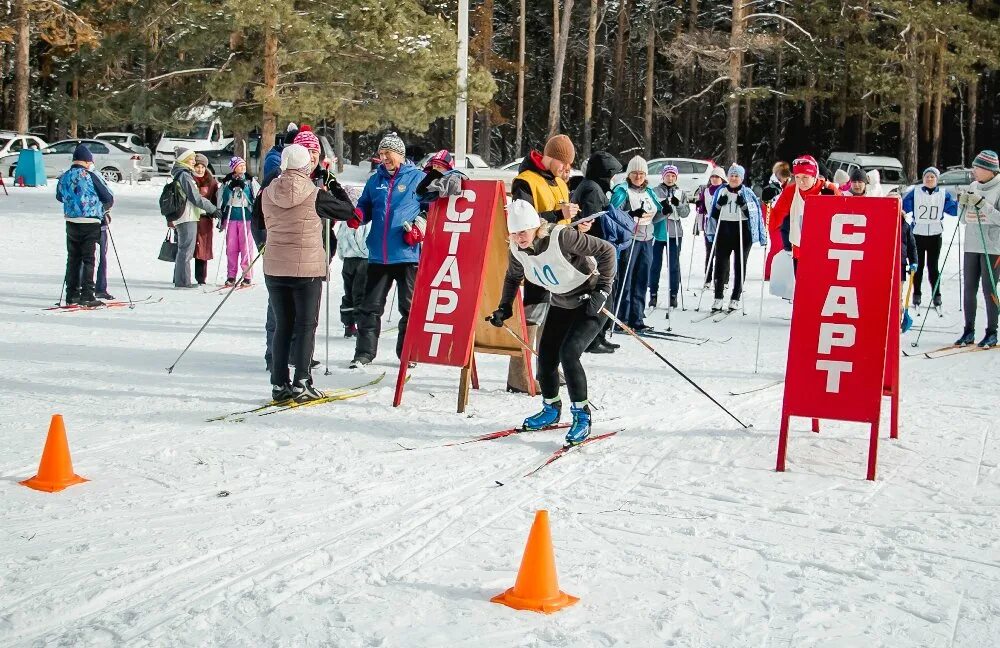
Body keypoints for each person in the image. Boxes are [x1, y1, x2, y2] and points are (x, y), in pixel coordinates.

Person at [488, 200, 616, 445]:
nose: (519, 237)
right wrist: (504, 307)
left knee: (569, 354)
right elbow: (513, 276)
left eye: (523, 231)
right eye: (514, 233)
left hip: (590, 301)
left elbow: (607, 251)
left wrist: (602, 290)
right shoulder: (516, 248)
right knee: (546, 357)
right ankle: (550, 409)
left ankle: (582, 415)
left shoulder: (562, 237)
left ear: (536, 227)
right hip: (561, 303)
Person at [260, 144, 354, 402]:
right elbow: (348, 211)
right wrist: (333, 186)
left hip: (275, 266)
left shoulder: (267, 192)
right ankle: (302, 382)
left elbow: (258, 223)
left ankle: (279, 384)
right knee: (304, 325)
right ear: (306, 166)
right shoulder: (315, 193)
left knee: (282, 325)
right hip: (306, 269)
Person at [503, 134, 579, 391]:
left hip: (558, 257)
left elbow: (561, 220)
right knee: (533, 315)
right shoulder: (525, 181)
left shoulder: (558, 181)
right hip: (535, 256)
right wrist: (559, 214)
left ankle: (547, 367)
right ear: (552, 156)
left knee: (554, 314)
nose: (566, 169)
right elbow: (522, 221)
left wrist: (575, 223)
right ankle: (518, 377)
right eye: (564, 163)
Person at [347, 132, 426, 368]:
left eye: (387, 153)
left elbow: (430, 208)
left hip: (406, 253)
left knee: (408, 307)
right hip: (378, 255)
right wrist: (358, 216)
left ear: (399, 154)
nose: (384, 158)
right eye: (381, 154)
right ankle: (364, 353)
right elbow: (365, 206)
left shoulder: (418, 178)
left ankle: (407, 353)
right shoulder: (375, 180)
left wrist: (419, 227)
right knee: (370, 307)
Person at [56, 144, 114, 307]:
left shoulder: (65, 176)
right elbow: (107, 196)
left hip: (71, 222)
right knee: (88, 259)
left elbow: (59, 196)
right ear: (88, 161)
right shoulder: (90, 175)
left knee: (73, 259)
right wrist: (103, 208)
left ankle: (72, 294)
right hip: (90, 221)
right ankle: (87, 294)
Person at [609, 156, 660, 331]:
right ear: (629, 174)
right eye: (634, 173)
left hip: (647, 239)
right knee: (626, 278)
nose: (638, 176)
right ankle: (620, 317)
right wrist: (630, 213)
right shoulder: (622, 191)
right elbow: (613, 214)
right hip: (629, 240)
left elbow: (657, 213)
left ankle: (636, 318)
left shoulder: (649, 192)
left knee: (642, 279)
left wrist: (665, 211)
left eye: (641, 173)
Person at [955, 150, 1000, 348]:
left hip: (992, 246)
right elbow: (964, 219)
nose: (973, 171)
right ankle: (968, 331)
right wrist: (962, 205)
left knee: (989, 289)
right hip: (972, 244)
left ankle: (992, 331)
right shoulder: (973, 185)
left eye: (977, 167)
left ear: (989, 170)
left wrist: (982, 204)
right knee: (969, 288)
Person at [707, 164, 766, 312]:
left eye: (736, 176)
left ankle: (735, 297)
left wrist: (743, 205)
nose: (733, 178)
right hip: (724, 229)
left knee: (740, 265)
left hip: (742, 231)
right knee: (721, 265)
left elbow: (754, 214)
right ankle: (718, 297)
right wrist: (720, 205)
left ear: (741, 178)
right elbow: (714, 214)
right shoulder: (721, 191)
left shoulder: (747, 193)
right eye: (731, 175)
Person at [846, 168, 917, 282]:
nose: (857, 185)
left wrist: (913, 261)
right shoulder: (844, 196)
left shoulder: (903, 224)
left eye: (860, 182)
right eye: (854, 182)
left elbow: (911, 244)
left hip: (898, 262)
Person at [901, 167, 959, 308]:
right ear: (923, 178)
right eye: (927, 177)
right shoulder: (915, 193)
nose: (929, 179)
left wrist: (960, 201)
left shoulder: (943, 194)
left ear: (937, 179)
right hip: (917, 235)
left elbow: (953, 210)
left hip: (935, 235)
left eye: (932, 177)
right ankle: (917, 294)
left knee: (933, 267)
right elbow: (903, 206)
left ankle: (936, 295)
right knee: (918, 267)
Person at [773, 155, 840, 273]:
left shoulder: (828, 189)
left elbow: (843, 216)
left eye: (805, 177)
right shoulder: (791, 190)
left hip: (823, 249)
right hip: (799, 249)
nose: (801, 181)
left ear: (814, 176)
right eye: (797, 177)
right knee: (801, 287)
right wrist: (766, 203)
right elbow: (775, 217)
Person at [170, 147, 219, 288]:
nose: (193, 161)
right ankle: (183, 281)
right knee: (186, 250)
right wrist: (213, 209)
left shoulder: (180, 173)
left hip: (183, 215)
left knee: (183, 249)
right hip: (187, 215)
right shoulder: (185, 175)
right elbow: (196, 198)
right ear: (184, 160)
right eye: (191, 159)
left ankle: (179, 279)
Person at [651, 165, 690, 309]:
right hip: (658, 232)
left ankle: (673, 295)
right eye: (668, 175)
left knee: (674, 265)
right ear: (663, 176)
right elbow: (652, 212)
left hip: (675, 233)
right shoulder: (655, 191)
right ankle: (653, 294)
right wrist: (663, 210)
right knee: (655, 265)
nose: (670, 178)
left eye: (673, 176)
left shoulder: (680, 192)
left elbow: (685, 213)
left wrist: (678, 205)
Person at [218, 156, 260, 286]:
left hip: (246, 217)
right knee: (231, 248)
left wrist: (244, 189)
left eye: (243, 165)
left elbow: (256, 197)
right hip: (231, 217)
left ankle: (247, 275)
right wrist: (230, 189)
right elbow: (222, 199)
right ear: (233, 168)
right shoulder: (227, 181)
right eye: (239, 166)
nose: (242, 168)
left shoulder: (249, 180)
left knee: (246, 247)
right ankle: (231, 275)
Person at [695, 166, 726, 287]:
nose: (714, 179)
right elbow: (702, 206)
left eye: (717, 177)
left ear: (722, 178)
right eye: (712, 176)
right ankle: (708, 278)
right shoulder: (706, 191)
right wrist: (700, 205)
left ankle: (723, 279)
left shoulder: (725, 190)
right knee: (709, 251)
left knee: (722, 253)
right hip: (709, 224)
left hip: (723, 223)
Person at [192, 154, 219, 285]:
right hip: (190, 219)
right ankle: (180, 276)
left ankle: (201, 278)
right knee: (186, 250)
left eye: (203, 167)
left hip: (204, 221)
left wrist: (213, 212)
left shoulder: (211, 182)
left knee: (202, 250)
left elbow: (215, 201)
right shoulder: (188, 180)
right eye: (198, 166)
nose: (200, 169)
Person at [761, 161, 791, 280]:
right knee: (777, 246)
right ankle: (768, 273)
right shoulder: (772, 187)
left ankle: (779, 271)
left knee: (785, 248)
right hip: (775, 219)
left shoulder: (788, 185)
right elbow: (767, 204)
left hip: (786, 219)